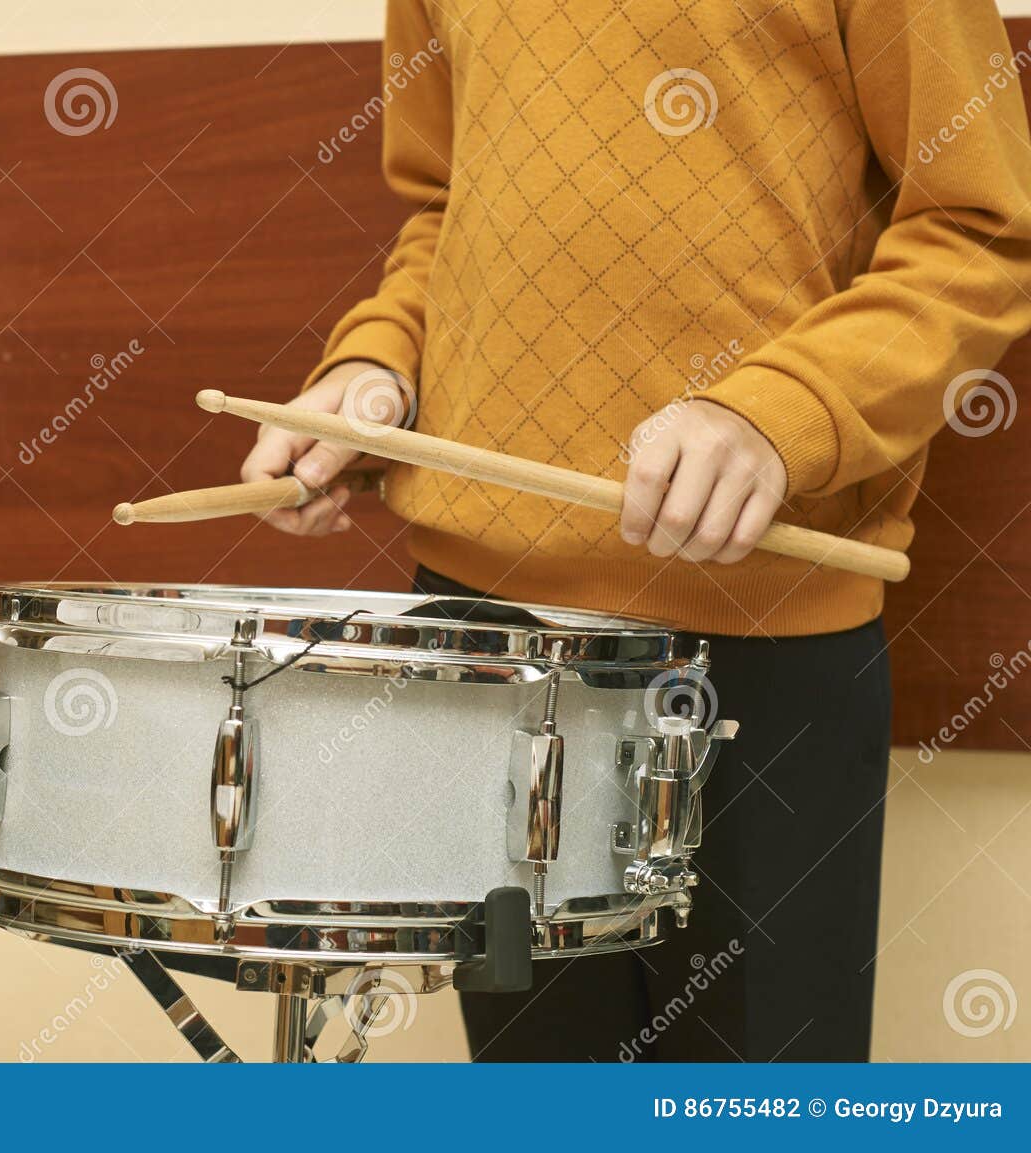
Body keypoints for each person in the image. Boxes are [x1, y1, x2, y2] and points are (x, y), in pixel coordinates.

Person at [240, 0, 1031, 1061]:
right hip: (477, 634)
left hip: (757, 640)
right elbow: (444, 206)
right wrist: (377, 363)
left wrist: (780, 409)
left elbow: (983, 226)